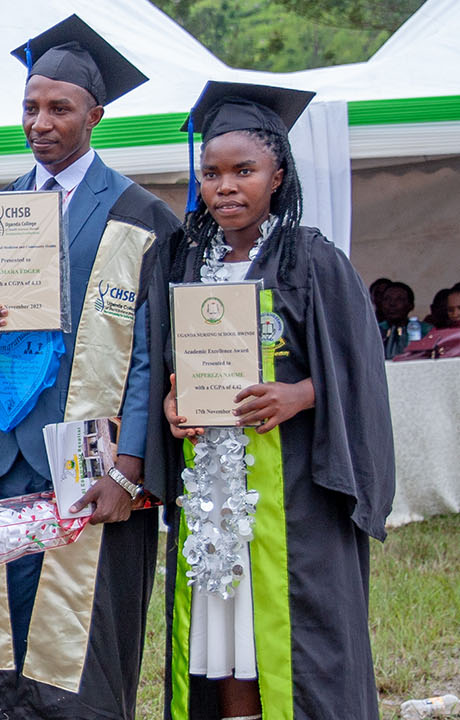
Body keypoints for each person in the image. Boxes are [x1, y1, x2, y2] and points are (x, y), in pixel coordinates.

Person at [0, 16, 181, 718]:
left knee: (84, 628)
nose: (40, 122)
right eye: (30, 107)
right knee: (1, 626)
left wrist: (129, 469)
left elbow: (148, 353)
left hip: (92, 455)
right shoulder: (2, 210)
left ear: (95, 115)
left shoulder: (142, 215)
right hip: (6, 449)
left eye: (59, 108)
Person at [150, 81, 393, 719]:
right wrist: (174, 403)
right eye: (211, 173)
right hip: (212, 488)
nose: (225, 186)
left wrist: (298, 394)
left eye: (244, 171)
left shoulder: (311, 260)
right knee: (220, 634)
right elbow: (165, 362)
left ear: (277, 176)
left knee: (289, 633)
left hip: (291, 491)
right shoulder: (184, 260)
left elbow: (359, 368)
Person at [377, 280, 426, 358]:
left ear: (411, 305)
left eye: (399, 299)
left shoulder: (425, 331)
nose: (392, 304)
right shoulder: (375, 331)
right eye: (387, 299)